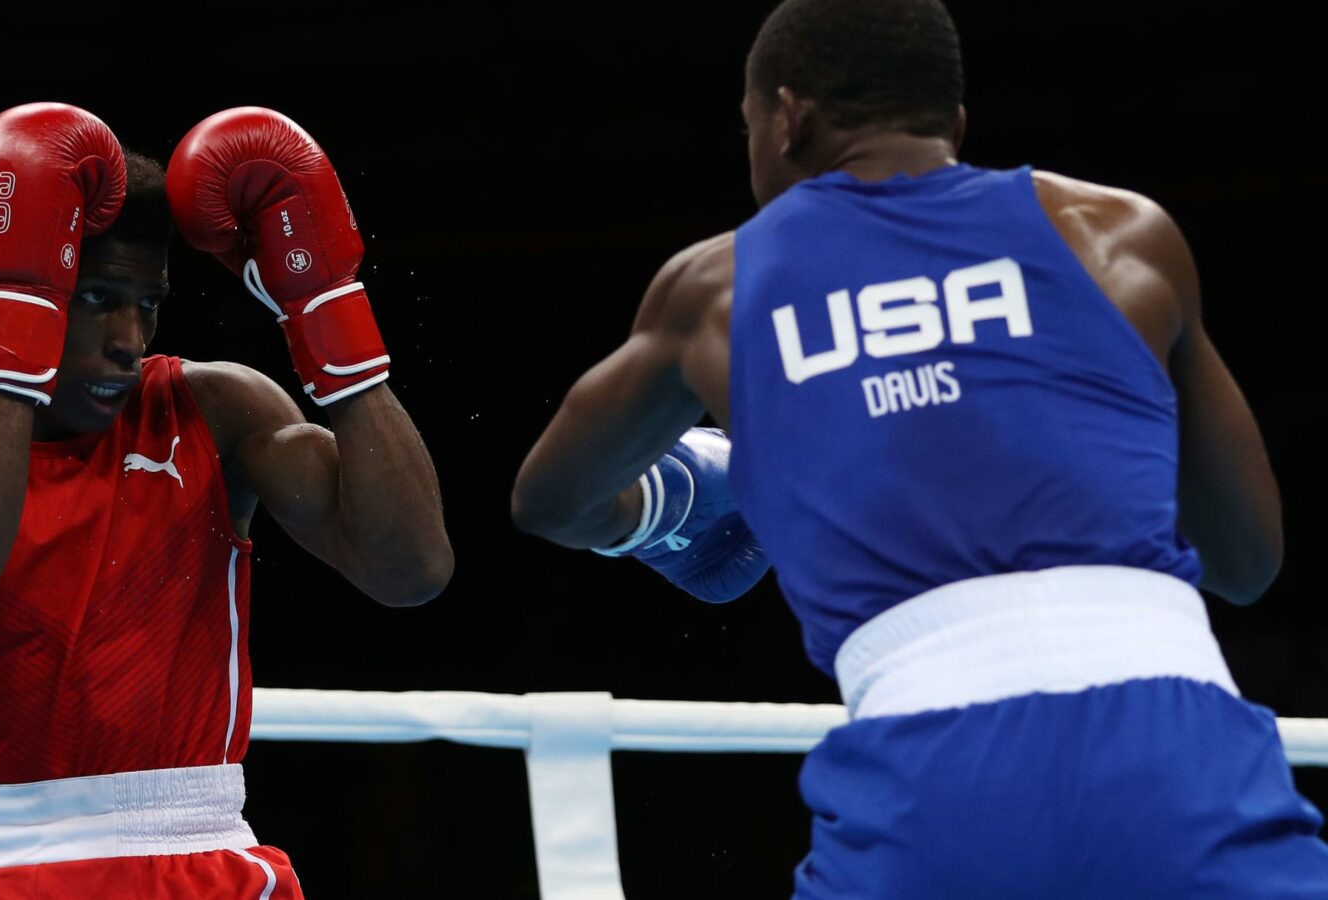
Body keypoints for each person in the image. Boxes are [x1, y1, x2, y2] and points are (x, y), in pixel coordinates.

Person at [511, 1, 1328, 895]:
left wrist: (700, 485)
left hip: (931, 775)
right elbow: (1247, 562)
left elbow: (549, 502)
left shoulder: (720, 287)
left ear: (788, 119)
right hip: (1185, 761)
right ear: (957, 125)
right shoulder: (1121, 235)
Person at [0, 101, 452, 898]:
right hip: (5, 869)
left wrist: (326, 308)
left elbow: (411, 568)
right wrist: (16, 331)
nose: (130, 336)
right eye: (95, 299)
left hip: (209, 860)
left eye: (146, 304)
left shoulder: (212, 409)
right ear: (34, 288)